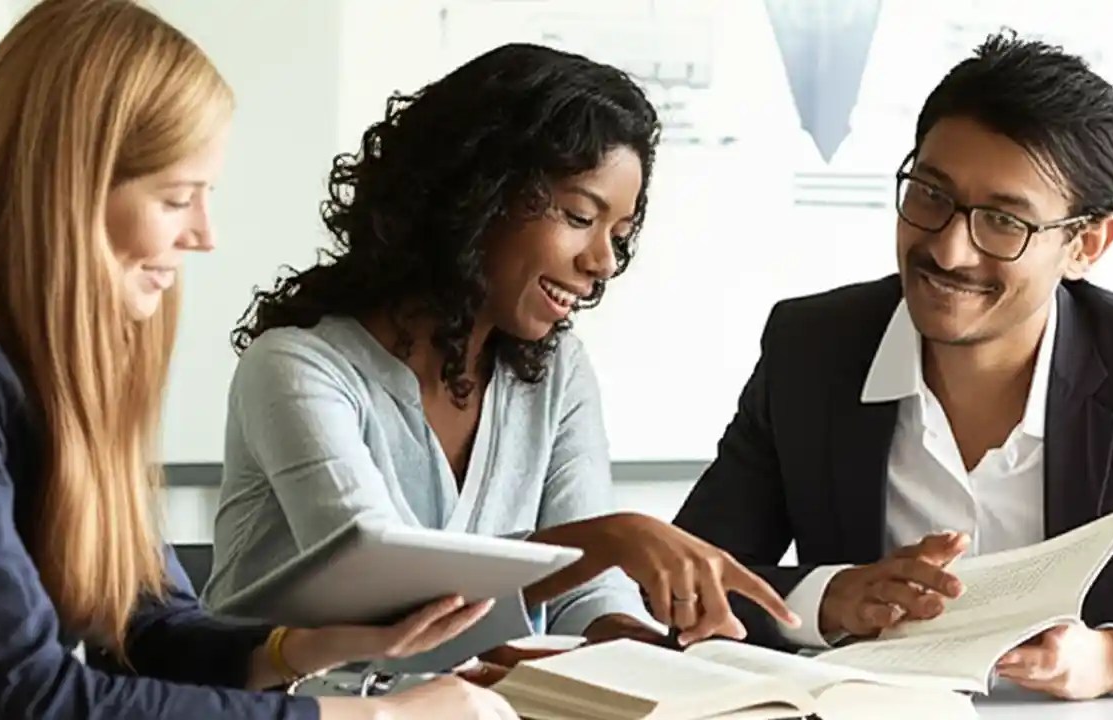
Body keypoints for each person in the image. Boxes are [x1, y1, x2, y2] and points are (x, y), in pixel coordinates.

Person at [0, 1, 525, 717]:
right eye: (176, 198)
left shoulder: (56, 375)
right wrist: (378, 714)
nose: (205, 235)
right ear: (68, 191)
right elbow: (26, 697)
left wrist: (304, 646)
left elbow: (147, 630)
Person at [673, 31, 1113, 699]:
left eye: (1004, 223)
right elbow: (690, 582)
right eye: (930, 194)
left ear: (1085, 245)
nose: (948, 251)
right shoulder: (811, 349)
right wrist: (833, 598)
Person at [204, 41, 799, 669]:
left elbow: (589, 594)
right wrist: (610, 538)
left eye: (618, 236)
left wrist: (646, 650)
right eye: (579, 216)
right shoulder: (296, 368)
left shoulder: (558, 373)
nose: (603, 263)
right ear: (477, 193)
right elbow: (393, 604)